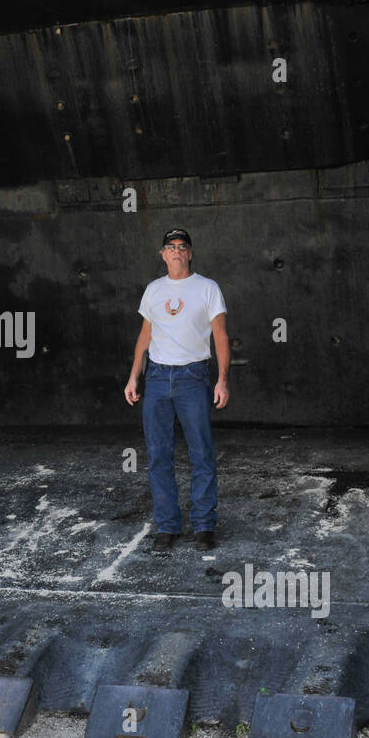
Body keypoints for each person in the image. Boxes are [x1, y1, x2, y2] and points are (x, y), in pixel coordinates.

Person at [124, 228, 230, 553]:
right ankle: (167, 527)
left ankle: (203, 526)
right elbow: (145, 336)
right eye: (171, 247)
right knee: (158, 455)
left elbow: (221, 336)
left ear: (190, 254)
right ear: (163, 254)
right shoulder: (154, 290)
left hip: (192, 377)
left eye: (182, 247)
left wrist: (222, 379)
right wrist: (133, 377)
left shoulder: (207, 288)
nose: (177, 252)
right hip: (156, 377)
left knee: (201, 453)